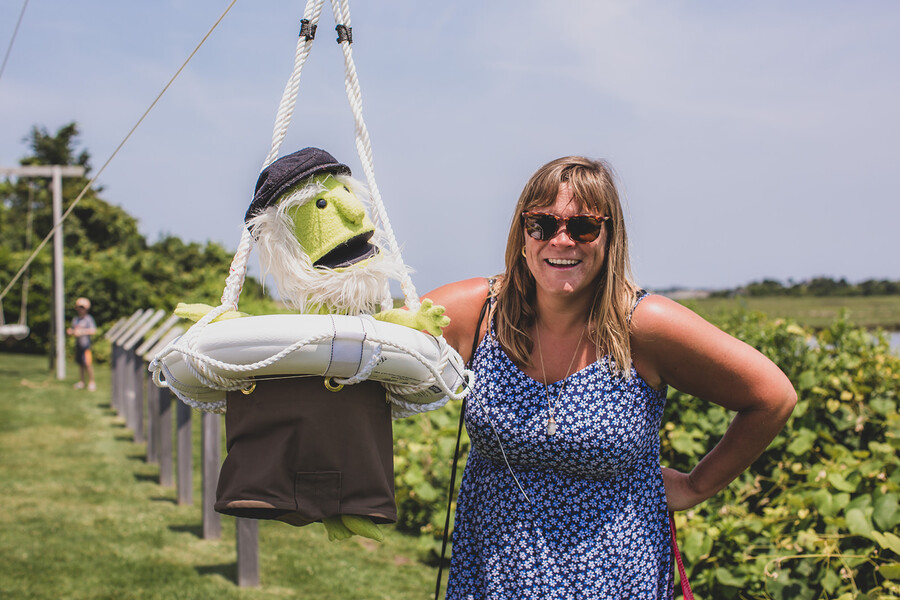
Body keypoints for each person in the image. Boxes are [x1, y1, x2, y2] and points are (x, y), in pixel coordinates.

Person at [424, 156, 797, 599]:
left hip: (614, 579)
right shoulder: (479, 311)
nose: (561, 241)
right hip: (491, 578)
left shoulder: (644, 325)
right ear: (522, 235)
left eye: (583, 227)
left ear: (609, 236)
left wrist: (698, 485)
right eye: (541, 224)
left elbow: (772, 397)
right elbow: (369, 349)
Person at [67, 297, 97, 391]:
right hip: (78, 345)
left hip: (86, 345)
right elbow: (73, 330)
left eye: (82, 307)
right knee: (80, 364)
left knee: (88, 364)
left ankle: (92, 382)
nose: (80, 309)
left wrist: (82, 332)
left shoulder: (88, 319)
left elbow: (93, 330)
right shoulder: (76, 319)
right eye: (79, 307)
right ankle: (82, 382)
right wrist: (71, 332)